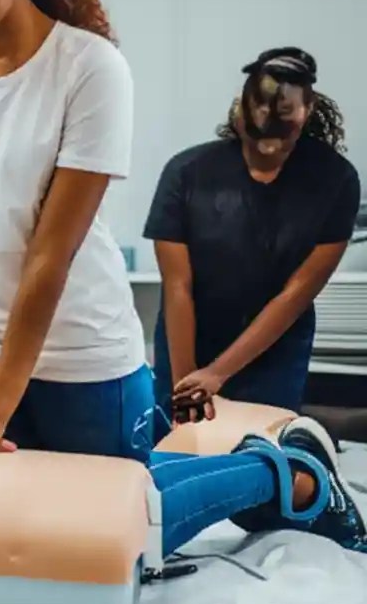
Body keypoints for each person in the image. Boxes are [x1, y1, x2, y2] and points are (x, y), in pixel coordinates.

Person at [0, 0, 366, 554]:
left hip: (81, 361)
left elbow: (49, 256)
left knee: (99, 540)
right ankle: (214, 469)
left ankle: (286, 473)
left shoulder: (89, 67)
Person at [144, 47, 360, 425]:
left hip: (274, 349)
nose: (268, 152)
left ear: (306, 114)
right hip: (189, 337)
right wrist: (185, 383)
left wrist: (217, 374)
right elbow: (178, 285)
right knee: (178, 450)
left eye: (281, 141)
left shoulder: (335, 181)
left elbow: (296, 293)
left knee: (258, 452)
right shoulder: (187, 173)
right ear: (240, 114)